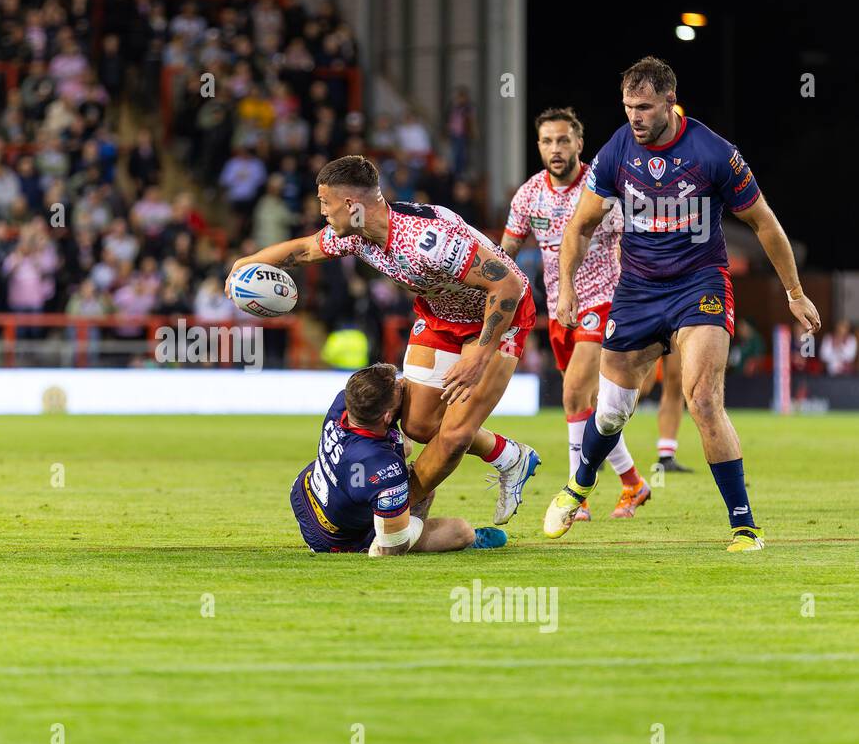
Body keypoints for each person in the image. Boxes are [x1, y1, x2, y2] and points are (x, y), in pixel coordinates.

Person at [543, 57, 821, 551]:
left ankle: (744, 526)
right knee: (610, 412)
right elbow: (580, 226)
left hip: (700, 285)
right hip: (637, 292)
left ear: (671, 101)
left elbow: (764, 224)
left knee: (704, 400)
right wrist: (566, 286)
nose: (635, 117)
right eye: (628, 107)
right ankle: (578, 486)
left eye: (645, 107)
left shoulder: (713, 153)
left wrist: (794, 292)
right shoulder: (617, 151)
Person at [229, 155, 541, 527]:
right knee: (419, 427)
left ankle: (397, 518)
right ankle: (510, 456)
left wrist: (479, 357)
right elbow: (304, 249)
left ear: (350, 205)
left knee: (455, 435)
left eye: (325, 203)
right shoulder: (357, 235)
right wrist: (243, 265)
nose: (321, 211)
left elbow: (504, 284)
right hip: (440, 313)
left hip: (498, 316)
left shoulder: (426, 241)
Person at [502, 107, 650, 519]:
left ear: (579, 144)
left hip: (605, 302)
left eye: (564, 140)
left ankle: (576, 495)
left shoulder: (601, 187)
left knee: (572, 394)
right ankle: (633, 483)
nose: (556, 148)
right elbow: (507, 251)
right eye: (548, 141)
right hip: (559, 308)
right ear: (538, 146)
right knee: (589, 406)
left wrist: (637, 297)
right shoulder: (529, 194)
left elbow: (628, 243)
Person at [290, 364, 508, 555]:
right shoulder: (383, 468)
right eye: (398, 389)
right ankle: (375, 537)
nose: (403, 385)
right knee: (460, 531)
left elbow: (401, 445)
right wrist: (392, 538)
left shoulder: (345, 401)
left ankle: (384, 506)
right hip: (338, 539)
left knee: (405, 460)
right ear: (386, 416)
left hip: (306, 495)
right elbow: (391, 545)